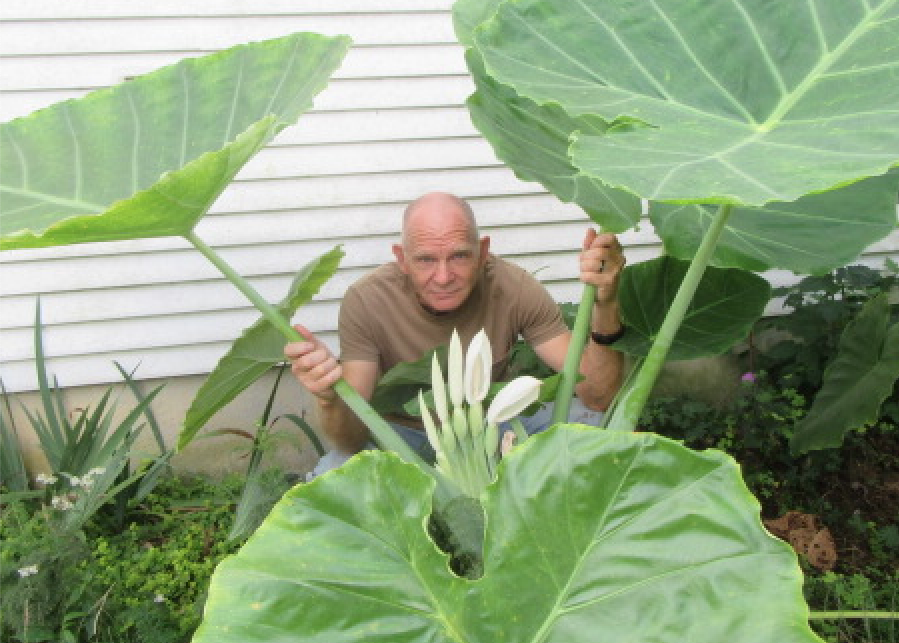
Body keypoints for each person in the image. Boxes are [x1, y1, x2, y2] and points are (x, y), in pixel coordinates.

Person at [285, 192, 626, 477]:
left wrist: (606, 305)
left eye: (460, 256)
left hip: (492, 426)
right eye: (426, 260)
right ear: (401, 259)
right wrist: (328, 398)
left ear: (483, 251)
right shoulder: (368, 300)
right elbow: (350, 440)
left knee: (601, 427)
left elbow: (596, 397)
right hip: (405, 437)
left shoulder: (514, 287)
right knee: (333, 475)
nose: (444, 276)